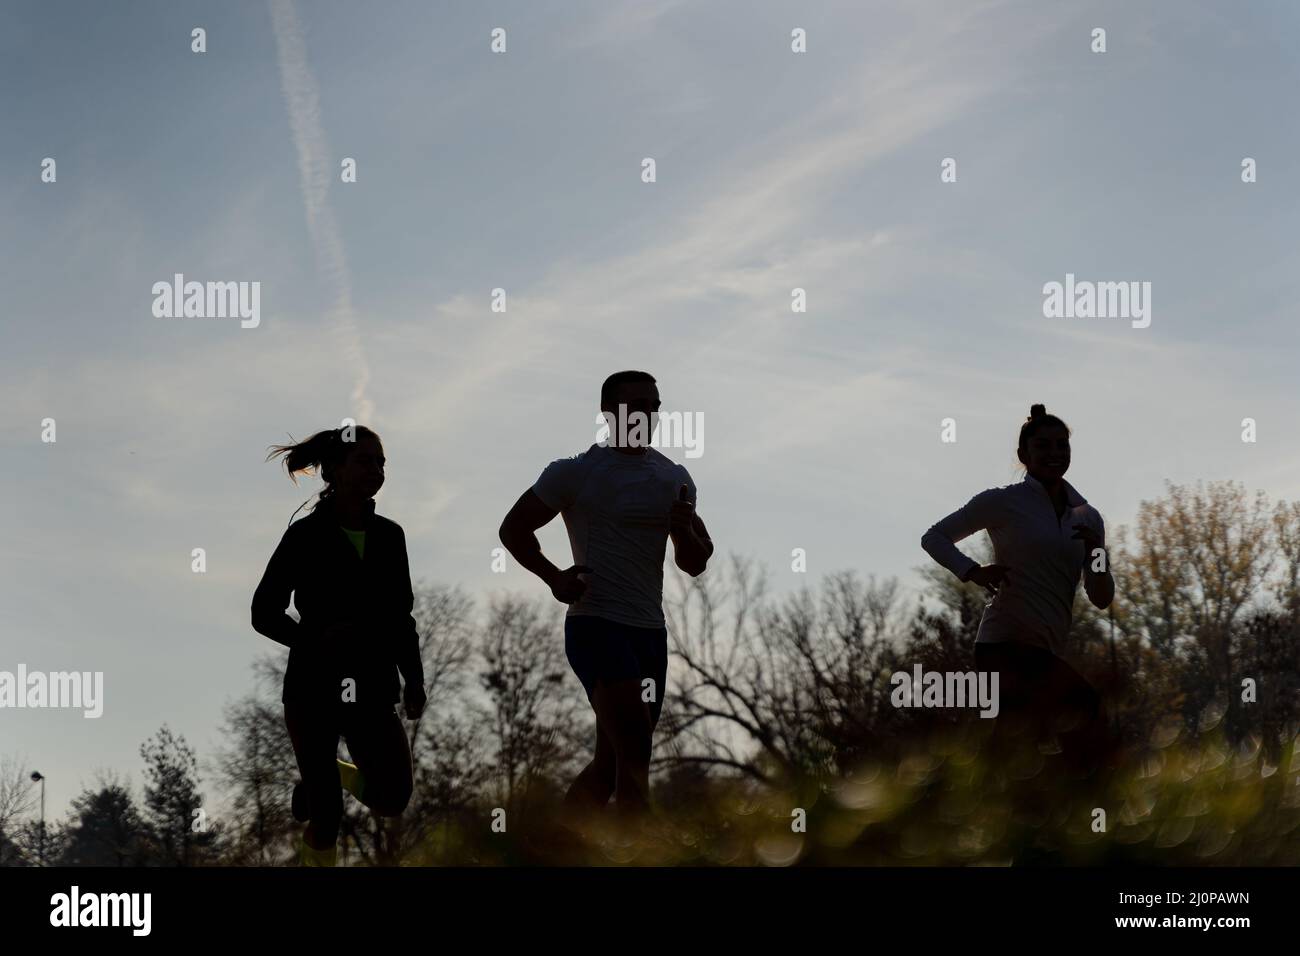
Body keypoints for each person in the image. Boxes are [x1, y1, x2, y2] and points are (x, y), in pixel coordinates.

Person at [498, 371, 713, 828]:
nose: (644, 414)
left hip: (649, 632)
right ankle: (643, 853)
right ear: (607, 411)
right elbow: (513, 530)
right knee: (635, 753)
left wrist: (681, 530)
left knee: (612, 767)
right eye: (634, 404)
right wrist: (554, 578)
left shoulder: (673, 477)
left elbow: (696, 560)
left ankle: (551, 852)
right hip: (596, 624)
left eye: (652, 406)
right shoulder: (574, 472)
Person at [252, 425, 426, 866]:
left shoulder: (391, 536)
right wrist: (313, 639)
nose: (377, 470)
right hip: (314, 689)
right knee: (326, 816)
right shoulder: (305, 536)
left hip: (373, 686)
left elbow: (400, 617)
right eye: (365, 460)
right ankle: (323, 787)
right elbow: (264, 612)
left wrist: (415, 681)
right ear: (336, 470)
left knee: (392, 799)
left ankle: (334, 777)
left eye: (381, 462)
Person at [921, 404, 1115, 776]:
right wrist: (972, 571)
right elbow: (935, 537)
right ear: (1024, 455)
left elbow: (1102, 598)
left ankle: (975, 805)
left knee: (1020, 737)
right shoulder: (1004, 501)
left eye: (1062, 446)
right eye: (1043, 446)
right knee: (1083, 709)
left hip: (1045, 646)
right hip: (1002, 645)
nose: (1054, 454)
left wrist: (1096, 553)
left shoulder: (1087, 516)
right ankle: (1069, 804)